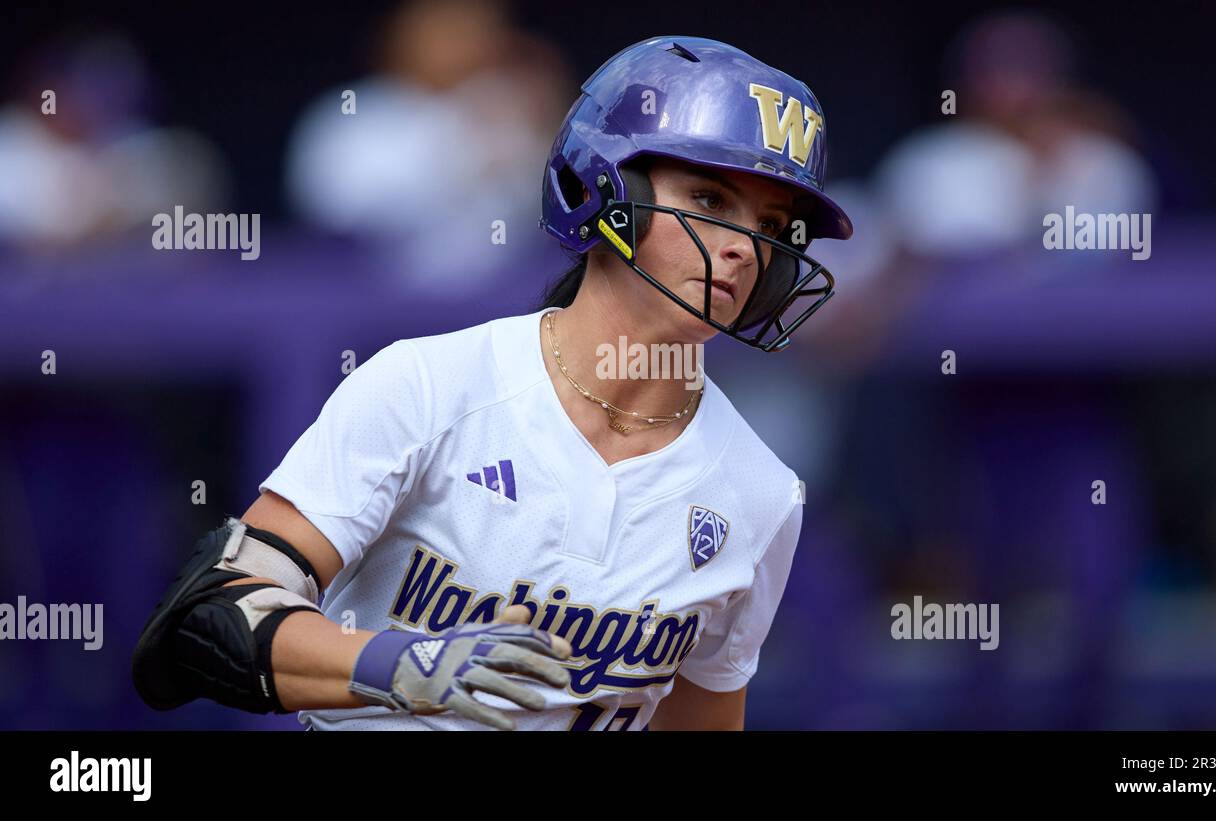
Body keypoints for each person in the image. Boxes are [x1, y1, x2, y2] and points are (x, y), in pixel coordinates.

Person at [132, 35, 854, 731]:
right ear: (603, 183)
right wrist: (401, 663)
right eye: (710, 199)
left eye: (771, 224)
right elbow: (211, 618)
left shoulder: (760, 491)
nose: (741, 247)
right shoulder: (431, 385)